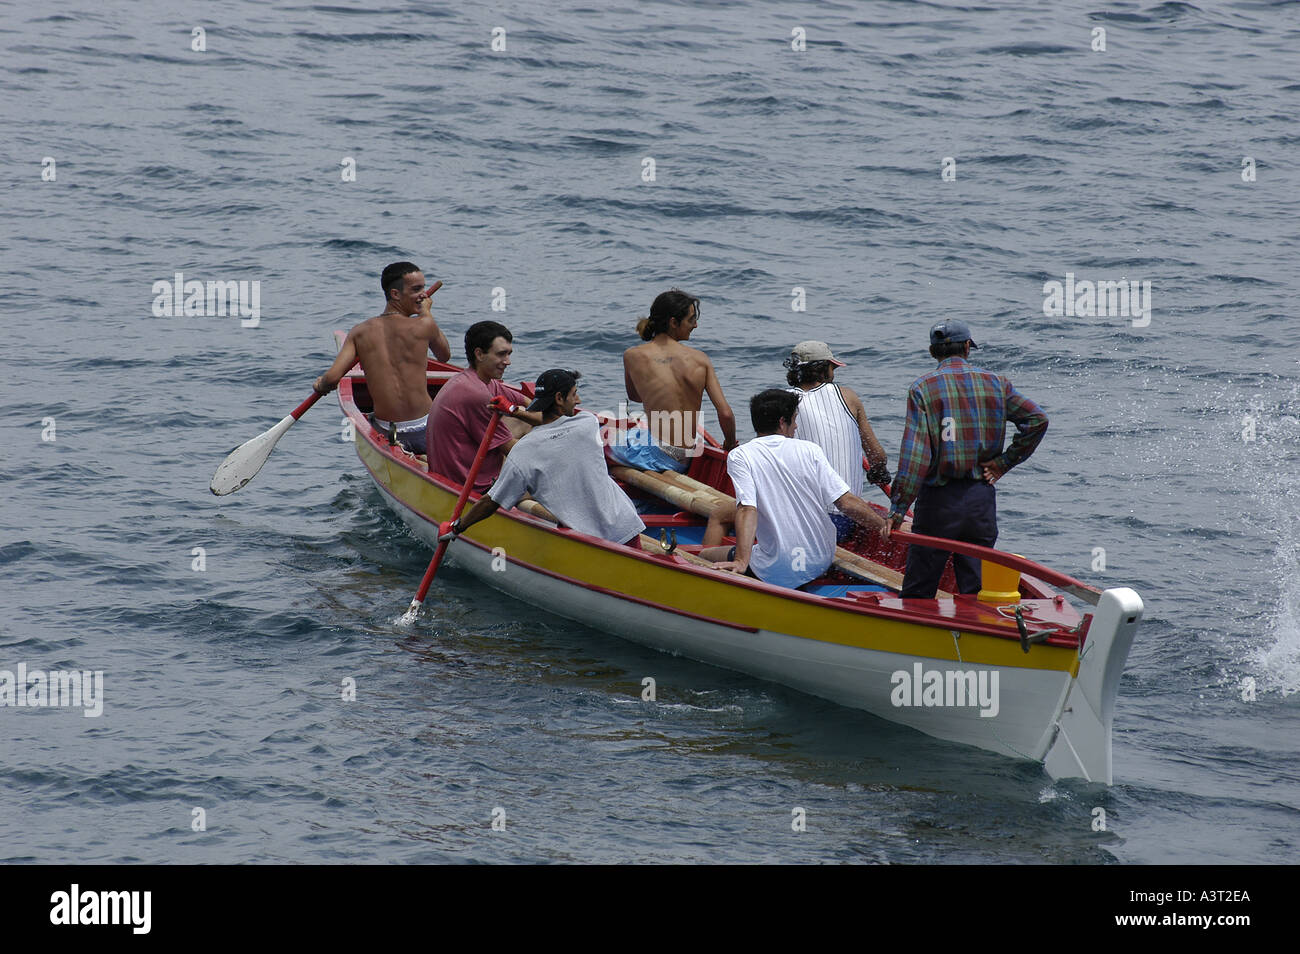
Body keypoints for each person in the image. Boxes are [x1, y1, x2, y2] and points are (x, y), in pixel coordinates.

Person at [881, 320, 1049, 599]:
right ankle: (978, 636)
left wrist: (898, 509)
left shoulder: (923, 388)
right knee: (977, 588)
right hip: (980, 499)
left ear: (932, 351)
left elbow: (915, 457)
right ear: (968, 347)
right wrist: (1003, 463)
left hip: (938, 503)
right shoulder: (997, 384)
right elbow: (1037, 420)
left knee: (920, 588)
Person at [701, 390, 886, 589]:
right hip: (819, 559)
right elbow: (846, 502)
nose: (796, 426)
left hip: (775, 568)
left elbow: (747, 509)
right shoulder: (810, 450)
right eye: (795, 419)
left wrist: (740, 560)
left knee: (705, 555)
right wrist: (883, 525)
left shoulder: (740, 456)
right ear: (782, 422)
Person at [440, 370, 646, 546]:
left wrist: (457, 527)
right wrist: (514, 411)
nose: (579, 401)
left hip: (586, 538)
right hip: (625, 524)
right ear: (558, 399)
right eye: (574, 395)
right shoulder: (587, 423)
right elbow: (551, 423)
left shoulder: (523, 452)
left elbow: (491, 502)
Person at [312, 261, 452, 455]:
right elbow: (444, 355)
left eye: (424, 288)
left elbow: (333, 378)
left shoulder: (360, 332)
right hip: (427, 427)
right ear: (395, 294)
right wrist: (427, 314)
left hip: (388, 431)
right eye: (416, 289)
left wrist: (320, 385)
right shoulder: (425, 324)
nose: (424, 295)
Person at [613, 289, 738, 471]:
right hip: (684, 456)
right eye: (691, 320)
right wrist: (729, 444)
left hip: (655, 452)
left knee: (602, 438)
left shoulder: (632, 355)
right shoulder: (700, 359)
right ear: (673, 322)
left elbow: (635, 397)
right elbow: (725, 413)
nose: (695, 325)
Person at [783, 340, 892, 543]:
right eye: (832, 367)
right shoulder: (847, 396)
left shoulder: (781, 402)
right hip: (844, 519)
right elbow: (876, 456)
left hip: (800, 519)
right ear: (823, 369)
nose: (834, 372)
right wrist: (878, 469)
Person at [426, 321, 542, 492]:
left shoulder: (483, 381)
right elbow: (514, 451)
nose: (508, 362)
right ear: (479, 354)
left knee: (524, 419)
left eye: (509, 354)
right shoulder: (474, 393)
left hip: (471, 462)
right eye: (501, 354)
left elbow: (527, 402)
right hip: (472, 484)